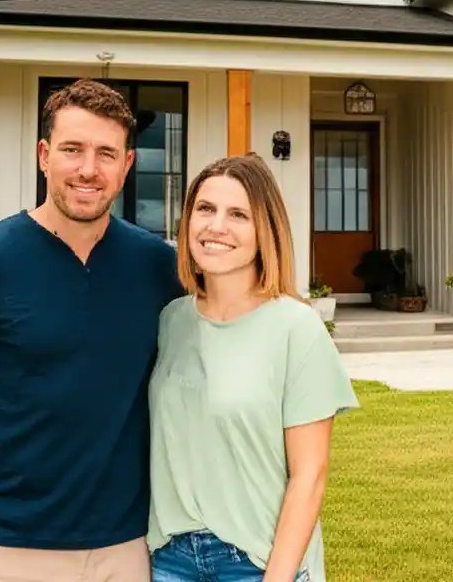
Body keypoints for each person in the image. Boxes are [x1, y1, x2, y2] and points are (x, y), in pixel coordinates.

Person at [0, 79, 183, 581]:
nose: (88, 169)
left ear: (126, 165)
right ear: (44, 155)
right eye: (72, 150)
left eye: (105, 153)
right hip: (4, 544)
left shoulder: (160, 269)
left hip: (128, 545)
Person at [147, 153, 358, 582]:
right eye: (205, 209)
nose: (216, 226)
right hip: (169, 560)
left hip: (256, 562)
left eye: (238, 214)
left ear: (265, 230)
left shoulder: (297, 328)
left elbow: (309, 476)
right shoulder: (171, 320)